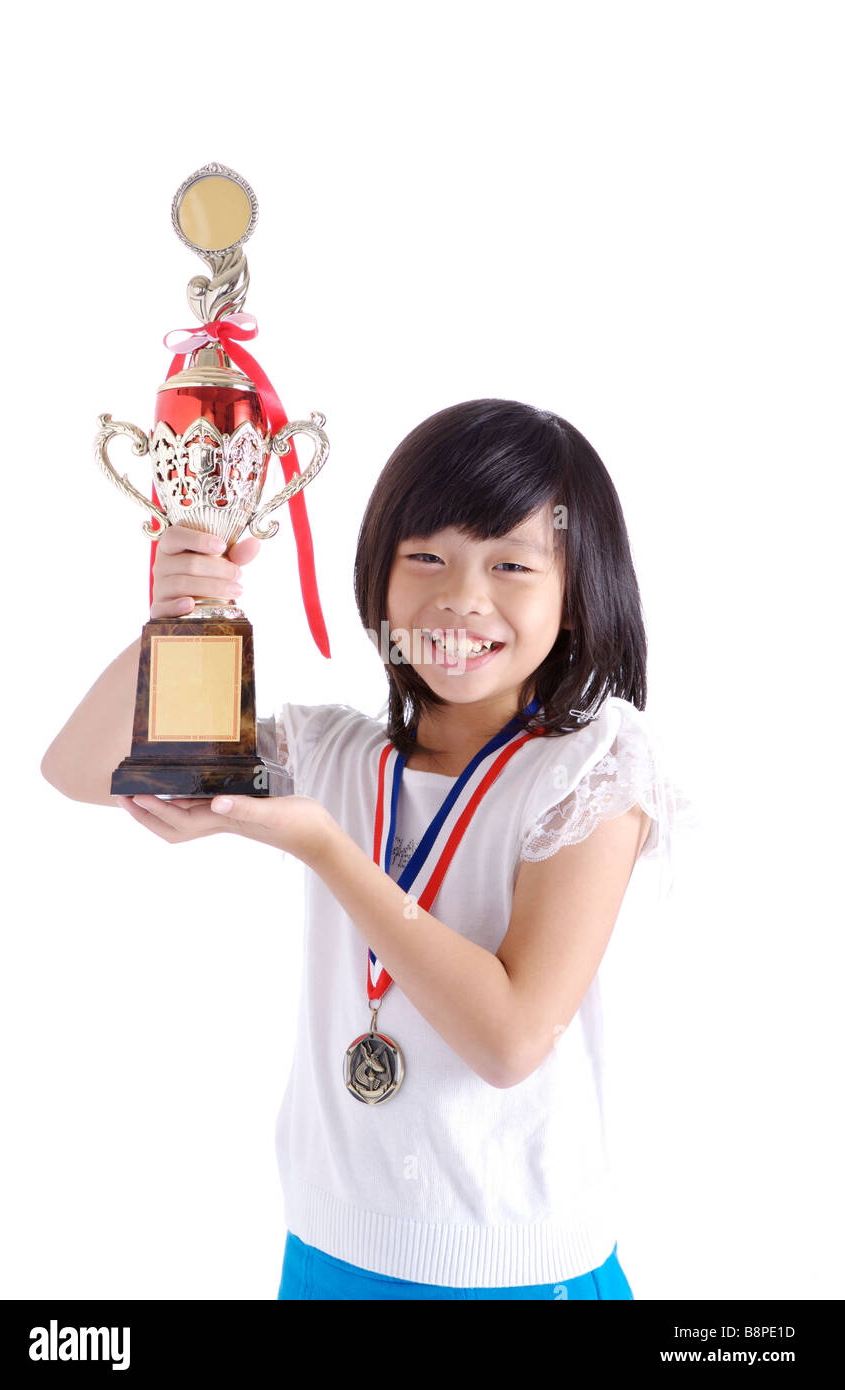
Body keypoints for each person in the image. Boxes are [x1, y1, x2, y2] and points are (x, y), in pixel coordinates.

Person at [42, 398, 697, 1300]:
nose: (461, 597)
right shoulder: (331, 753)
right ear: (377, 578)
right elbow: (78, 767)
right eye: (425, 555)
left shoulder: (591, 772)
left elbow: (508, 1041)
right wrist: (179, 613)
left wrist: (325, 848)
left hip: (517, 1275)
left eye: (511, 564)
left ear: (578, 598)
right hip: (326, 1254)